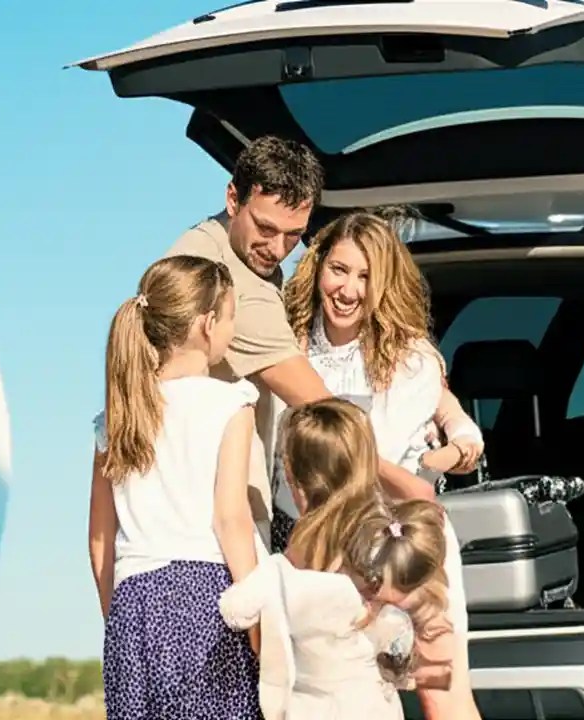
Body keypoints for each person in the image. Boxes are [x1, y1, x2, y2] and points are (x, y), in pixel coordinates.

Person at [161, 136, 451, 548]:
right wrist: (397, 478)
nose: (277, 249)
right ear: (232, 198)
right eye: (266, 228)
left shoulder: (223, 255)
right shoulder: (224, 282)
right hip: (211, 531)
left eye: (293, 235)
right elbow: (320, 407)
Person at [277, 211, 484, 720]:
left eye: (366, 276)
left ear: (385, 283)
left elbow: (393, 458)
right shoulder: (283, 351)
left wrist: (436, 461)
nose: (348, 289)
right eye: (339, 270)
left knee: (440, 693)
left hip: (399, 541)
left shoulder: (410, 360)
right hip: (315, 550)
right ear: (318, 267)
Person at [87, 255, 263, 720]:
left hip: (131, 604)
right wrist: (259, 625)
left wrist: (119, 615)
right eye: (230, 316)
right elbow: (231, 520)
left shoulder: (117, 419)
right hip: (207, 598)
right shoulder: (230, 403)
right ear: (207, 325)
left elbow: (100, 536)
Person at [218, 398, 454, 719]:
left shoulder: (288, 563)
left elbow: (238, 610)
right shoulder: (379, 546)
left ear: (292, 477)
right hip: (373, 704)